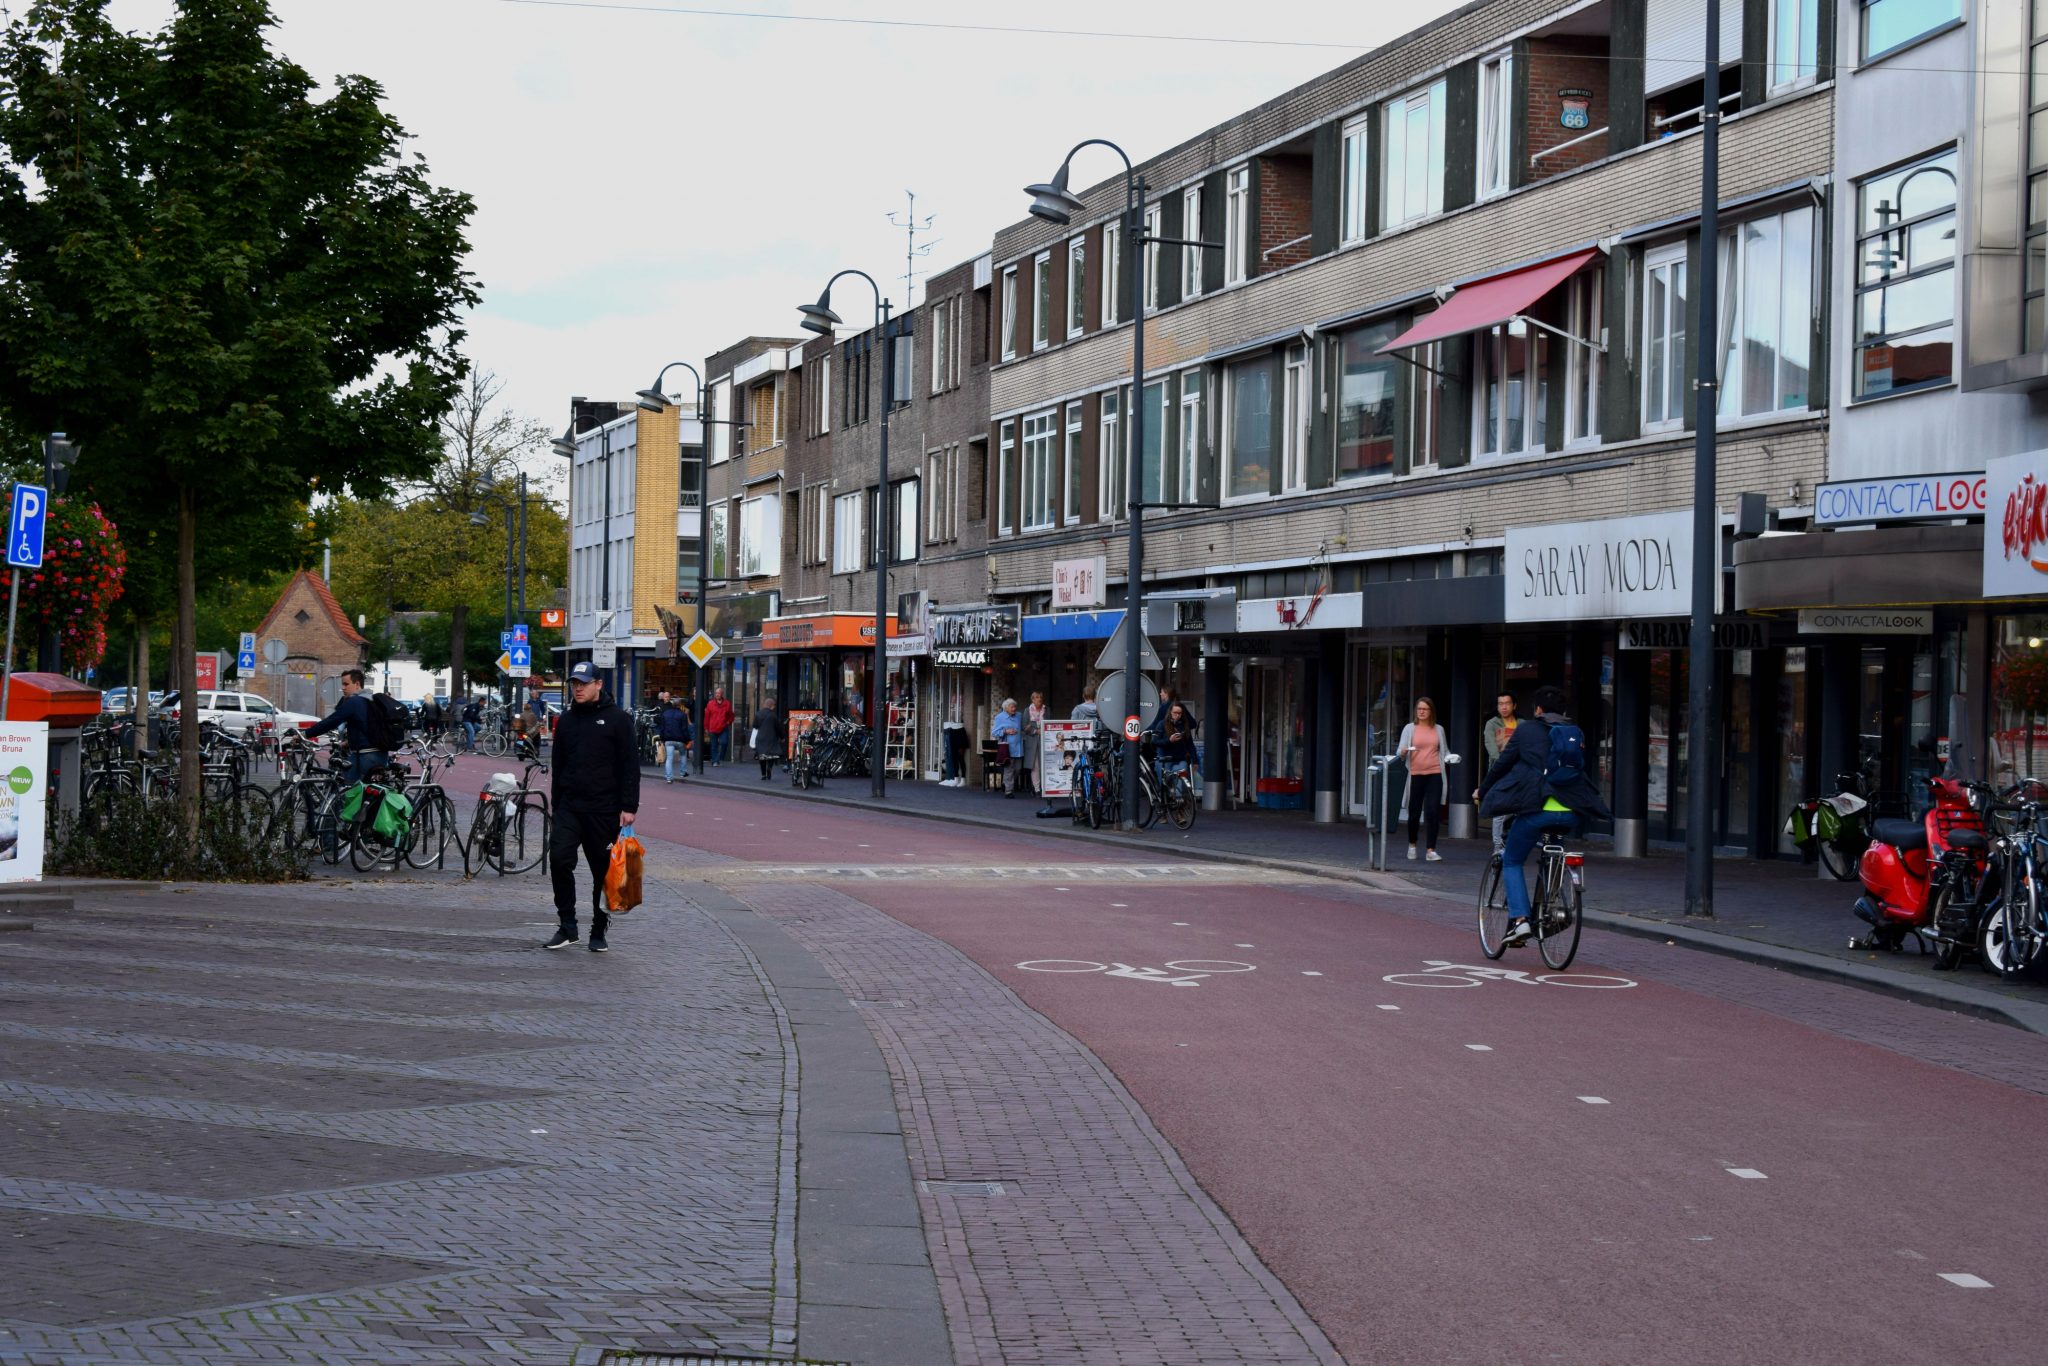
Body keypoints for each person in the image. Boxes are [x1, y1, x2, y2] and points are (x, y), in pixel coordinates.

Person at [1476, 684, 1611, 946]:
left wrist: (1483, 789)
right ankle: (1551, 907)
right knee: (1554, 853)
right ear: (1563, 710)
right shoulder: (1574, 732)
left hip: (1536, 811)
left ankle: (1520, 920)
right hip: (1570, 813)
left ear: (1537, 709)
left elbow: (1503, 764)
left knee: (1513, 860)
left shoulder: (1526, 729)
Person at [546, 661, 639, 954]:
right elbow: (558, 764)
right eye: (575, 684)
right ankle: (567, 925)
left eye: (584, 683)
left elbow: (630, 766)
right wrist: (557, 801)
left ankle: (599, 929)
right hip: (570, 806)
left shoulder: (618, 720)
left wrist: (628, 805)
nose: (578, 688)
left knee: (602, 872)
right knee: (559, 859)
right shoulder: (566, 721)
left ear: (599, 684)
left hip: (604, 809)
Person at [306, 669, 388, 782]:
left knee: (348, 790)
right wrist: (349, 742)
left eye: (346, 684)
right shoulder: (372, 700)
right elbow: (368, 728)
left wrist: (306, 733)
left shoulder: (354, 702)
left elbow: (331, 721)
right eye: (342, 684)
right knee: (371, 795)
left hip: (365, 756)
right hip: (380, 755)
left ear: (357, 684)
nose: (343, 688)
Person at [1397, 697, 1452, 862]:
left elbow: (1445, 751)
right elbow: (1400, 750)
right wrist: (1404, 751)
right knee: (1413, 813)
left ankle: (1431, 849)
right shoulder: (1409, 728)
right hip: (1415, 774)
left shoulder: (1439, 729)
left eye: (1425, 709)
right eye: (1419, 709)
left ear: (1431, 712)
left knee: (1433, 812)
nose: (1421, 712)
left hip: (1435, 774)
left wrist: (1451, 758)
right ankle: (1412, 845)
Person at [1483, 692, 1520, 853]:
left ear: (1514, 705)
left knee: (1518, 808)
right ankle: (1497, 846)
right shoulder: (1492, 724)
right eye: (1500, 704)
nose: (1504, 707)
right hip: (1500, 772)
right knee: (1500, 809)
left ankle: (1511, 841)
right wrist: (1502, 765)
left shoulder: (1522, 724)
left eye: (1507, 703)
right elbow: (1491, 748)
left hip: (1520, 773)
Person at [1154, 700, 1197, 784]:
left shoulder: (1184, 725)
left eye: (1180, 713)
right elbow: (1154, 741)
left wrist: (1195, 761)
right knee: (1165, 785)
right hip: (1165, 760)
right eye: (1175, 713)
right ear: (1170, 712)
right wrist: (1169, 740)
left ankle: (1179, 797)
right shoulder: (1162, 724)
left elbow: (1190, 745)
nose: (1177, 715)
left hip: (1180, 759)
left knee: (1180, 785)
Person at [991, 697, 1024, 798]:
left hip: (1019, 748)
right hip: (1008, 748)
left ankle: (1007, 783)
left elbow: (1022, 727)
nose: (1014, 709)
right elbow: (994, 733)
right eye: (1012, 707)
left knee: (1018, 769)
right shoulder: (1000, 717)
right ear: (1006, 708)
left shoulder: (1019, 716)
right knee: (1009, 769)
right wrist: (1006, 731)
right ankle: (1008, 791)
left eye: (1015, 707)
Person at [657, 694, 693, 782]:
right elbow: (685, 729)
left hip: (668, 739)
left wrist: (662, 738)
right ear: (679, 705)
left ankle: (669, 778)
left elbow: (662, 728)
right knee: (683, 754)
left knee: (669, 758)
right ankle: (683, 772)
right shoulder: (682, 715)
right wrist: (688, 740)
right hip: (680, 740)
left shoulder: (665, 714)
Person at [1018, 691, 1046, 796]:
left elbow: (1050, 723)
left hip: (1044, 741)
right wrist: (1035, 731)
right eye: (1037, 697)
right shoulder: (1027, 711)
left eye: (1040, 697)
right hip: (1032, 742)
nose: (1039, 699)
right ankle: (1037, 789)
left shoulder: (1046, 710)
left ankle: (1046, 788)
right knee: (1035, 766)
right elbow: (1024, 727)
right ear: (1032, 700)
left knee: (1045, 764)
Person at [753, 698, 785, 780]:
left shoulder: (758, 714)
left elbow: (755, 726)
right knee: (772, 755)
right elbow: (778, 728)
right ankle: (769, 768)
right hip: (771, 738)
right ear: (771, 706)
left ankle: (763, 775)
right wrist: (782, 737)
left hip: (760, 738)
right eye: (774, 706)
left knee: (762, 756)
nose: (774, 707)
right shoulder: (773, 715)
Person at [704, 686, 734, 765]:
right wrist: (706, 727)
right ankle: (715, 761)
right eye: (716, 693)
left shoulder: (727, 703)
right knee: (714, 745)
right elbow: (707, 716)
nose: (717, 694)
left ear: (722, 694)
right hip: (713, 727)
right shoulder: (710, 703)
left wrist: (728, 722)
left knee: (724, 742)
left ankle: (720, 758)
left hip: (723, 727)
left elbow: (731, 715)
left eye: (719, 693)